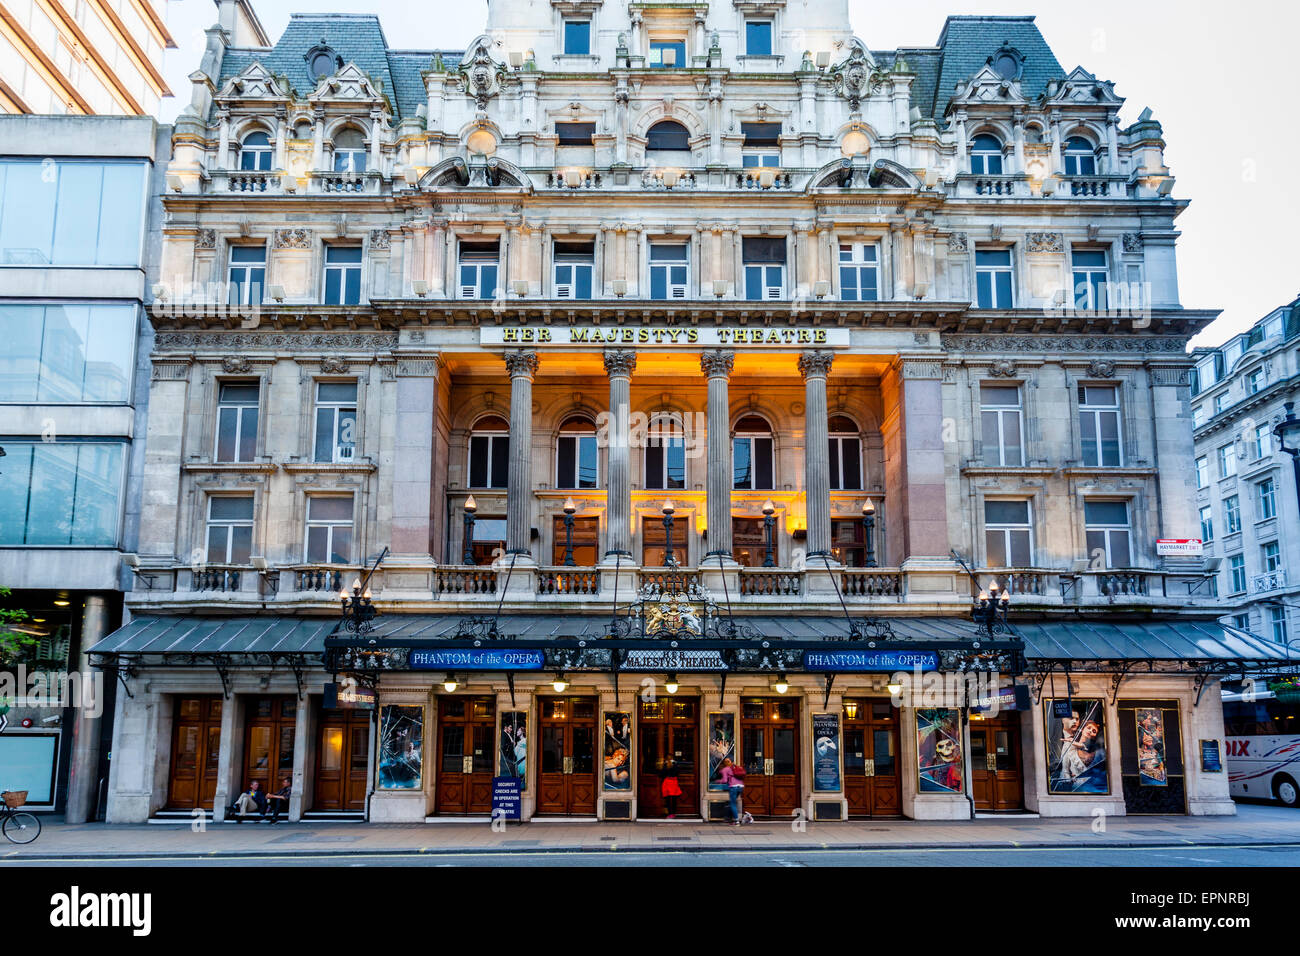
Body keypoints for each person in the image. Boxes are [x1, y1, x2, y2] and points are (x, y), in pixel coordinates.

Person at [718, 757, 745, 826]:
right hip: (741, 786)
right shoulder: (736, 767)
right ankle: (731, 818)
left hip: (733, 787)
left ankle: (736, 821)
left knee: (732, 804)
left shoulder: (725, 769)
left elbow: (724, 780)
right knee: (733, 803)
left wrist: (717, 781)